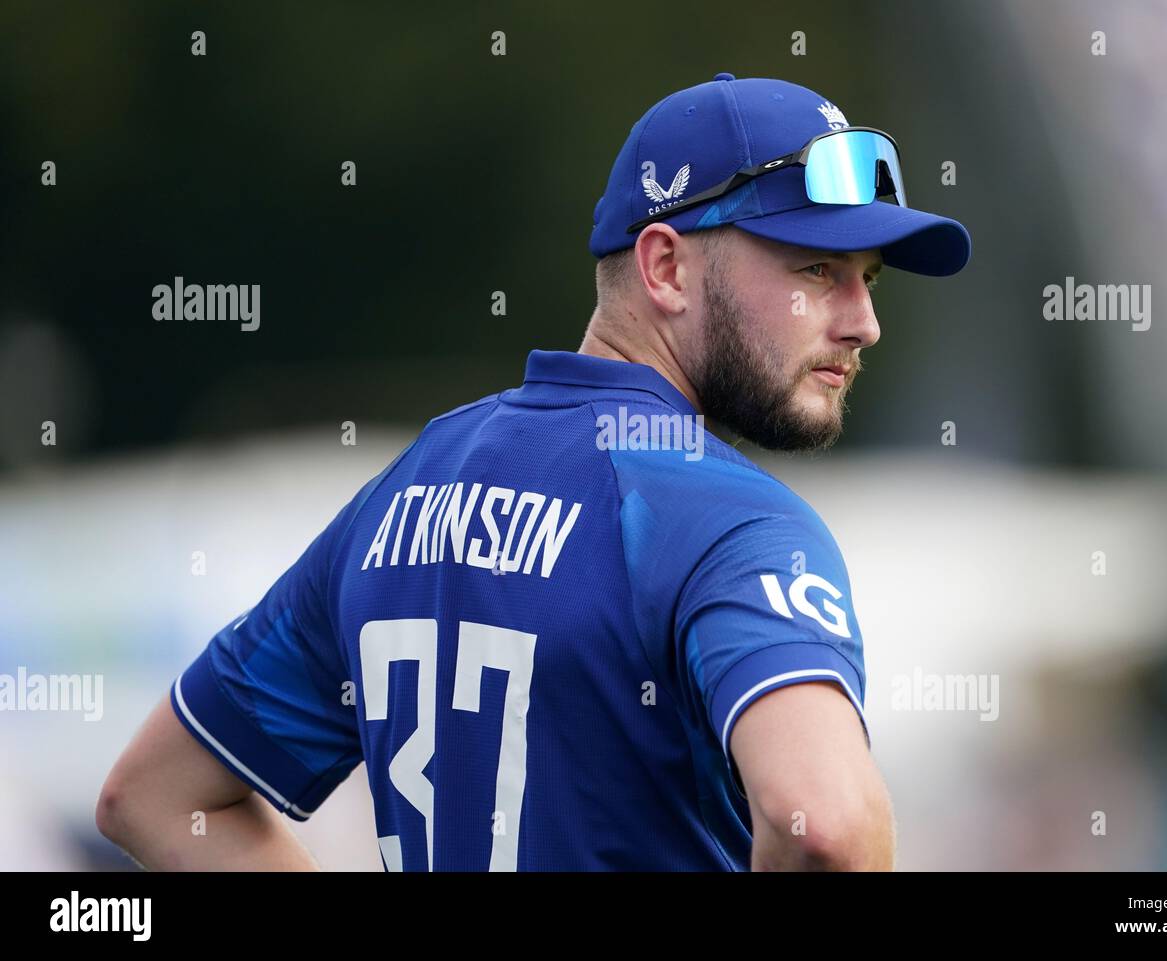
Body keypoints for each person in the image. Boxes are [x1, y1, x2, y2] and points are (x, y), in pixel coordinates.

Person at [97, 72, 971, 871]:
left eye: (869, 279)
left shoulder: (408, 486)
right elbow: (828, 826)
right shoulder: (729, 522)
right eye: (815, 269)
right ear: (666, 266)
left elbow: (153, 796)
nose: (862, 322)